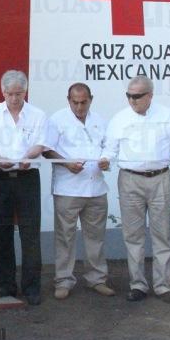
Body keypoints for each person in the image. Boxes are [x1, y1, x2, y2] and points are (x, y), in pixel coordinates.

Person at [100, 75, 170, 305]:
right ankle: (137, 284)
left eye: (137, 96)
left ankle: (163, 286)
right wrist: (104, 160)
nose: (132, 100)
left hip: (160, 178)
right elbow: (109, 149)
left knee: (162, 234)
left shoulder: (167, 115)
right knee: (133, 235)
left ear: (150, 95)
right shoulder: (119, 119)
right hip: (130, 180)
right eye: (129, 95)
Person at [44, 83, 116, 300]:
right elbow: (47, 150)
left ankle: (97, 279)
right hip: (68, 187)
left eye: (83, 102)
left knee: (96, 237)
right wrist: (66, 163)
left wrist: (106, 161)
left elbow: (109, 147)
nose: (79, 106)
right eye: (75, 102)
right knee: (65, 237)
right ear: (68, 100)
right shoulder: (57, 120)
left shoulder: (100, 121)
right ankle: (63, 280)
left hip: (96, 188)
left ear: (90, 99)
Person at [0, 70, 47, 305]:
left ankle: (31, 288)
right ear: (3, 92)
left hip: (27, 178)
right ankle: (6, 285)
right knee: (2, 232)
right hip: (0, 178)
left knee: (30, 234)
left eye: (19, 93)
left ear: (25, 92)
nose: (15, 98)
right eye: (10, 94)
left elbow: (40, 143)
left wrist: (30, 155)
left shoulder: (37, 115)